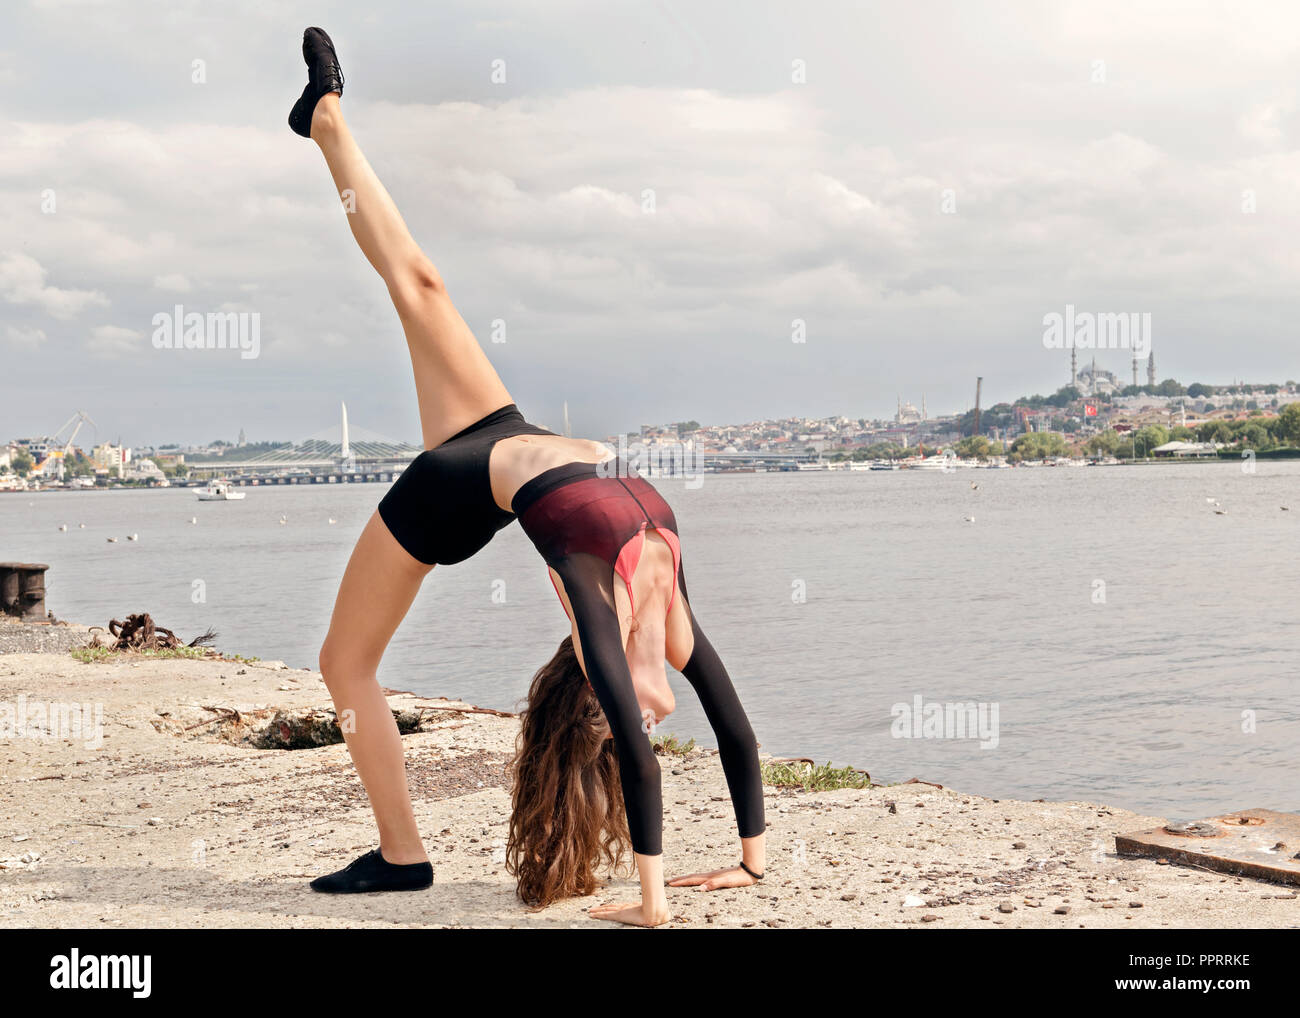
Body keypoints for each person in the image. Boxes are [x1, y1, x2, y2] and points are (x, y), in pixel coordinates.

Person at [291, 28, 765, 925]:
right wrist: (750, 863)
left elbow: (636, 741)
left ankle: (402, 856)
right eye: (651, 709)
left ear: (590, 687)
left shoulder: (604, 629)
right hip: (505, 445)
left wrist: (654, 904)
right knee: (420, 282)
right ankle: (326, 122)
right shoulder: (665, 619)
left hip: (461, 486)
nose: (657, 714)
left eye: (631, 712)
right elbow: (733, 730)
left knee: (342, 663)